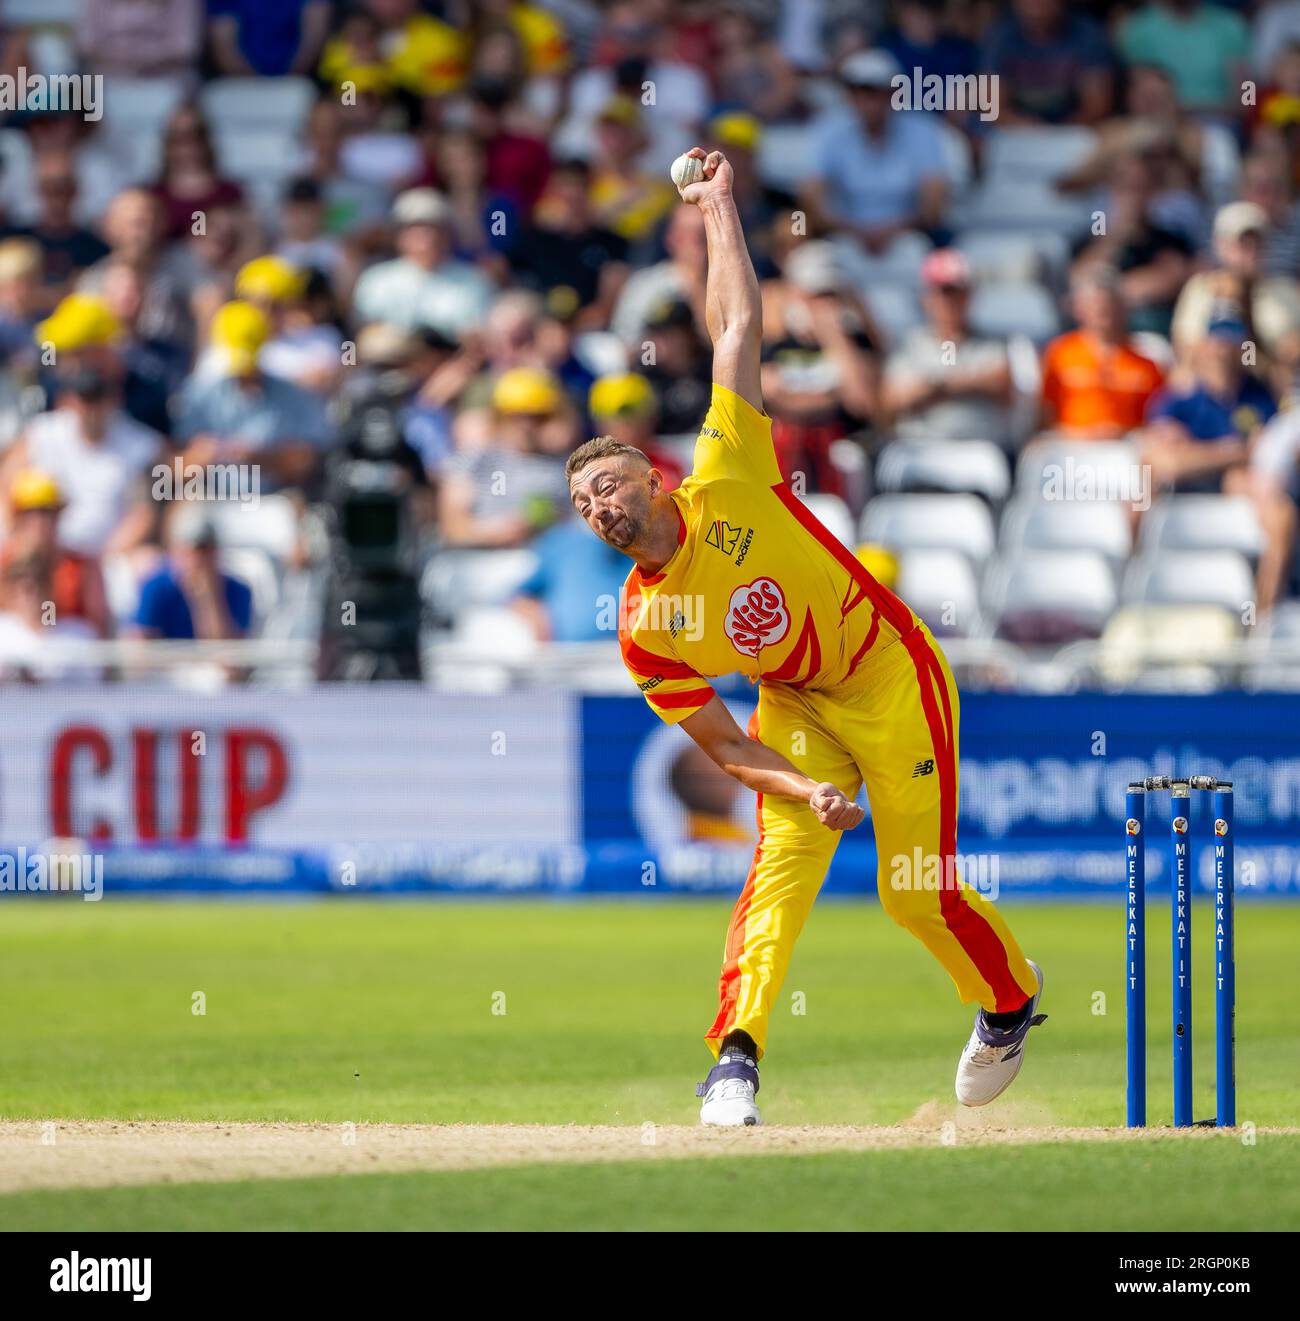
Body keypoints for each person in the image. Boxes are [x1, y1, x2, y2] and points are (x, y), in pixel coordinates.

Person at [565, 148, 1045, 1127]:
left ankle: (1005, 1000)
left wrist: (717, 206)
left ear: (652, 477)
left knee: (914, 896)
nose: (598, 509)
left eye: (608, 485)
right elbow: (730, 747)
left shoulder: (727, 463)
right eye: (579, 504)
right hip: (796, 709)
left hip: (887, 669)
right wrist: (804, 789)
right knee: (775, 878)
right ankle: (733, 1059)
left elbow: (733, 323)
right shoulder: (646, 629)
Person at [1040, 265, 1166, 438]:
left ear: (1122, 308)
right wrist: (1078, 435)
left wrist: (1123, 432)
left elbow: (1158, 419)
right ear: (1078, 309)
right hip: (1069, 448)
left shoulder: (1147, 361)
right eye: (1094, 306)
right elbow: (1044, 415)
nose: (1103, 312)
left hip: (1127, 449)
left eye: (1109, 305)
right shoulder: (1060, 353)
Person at [131, 506, 253, 641]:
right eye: (191, 551)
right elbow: (142, 649)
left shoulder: (239, 590)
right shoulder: (155, 588)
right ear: (176, 551)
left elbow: (228, 657)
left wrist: (208, 599)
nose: (198, 559)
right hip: (167, 662)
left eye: (206, 550)